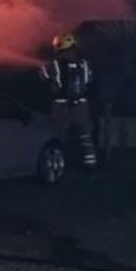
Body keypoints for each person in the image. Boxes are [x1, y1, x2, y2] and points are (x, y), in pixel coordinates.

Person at [40, 33, 97, 169]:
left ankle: (59, 164)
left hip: (61, 105)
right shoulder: (84, 63)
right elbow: (89, 80)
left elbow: (43, 77)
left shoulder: (53, 64)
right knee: (86, 135)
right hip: (82, 104)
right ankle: (90, 164)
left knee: (58, 134)